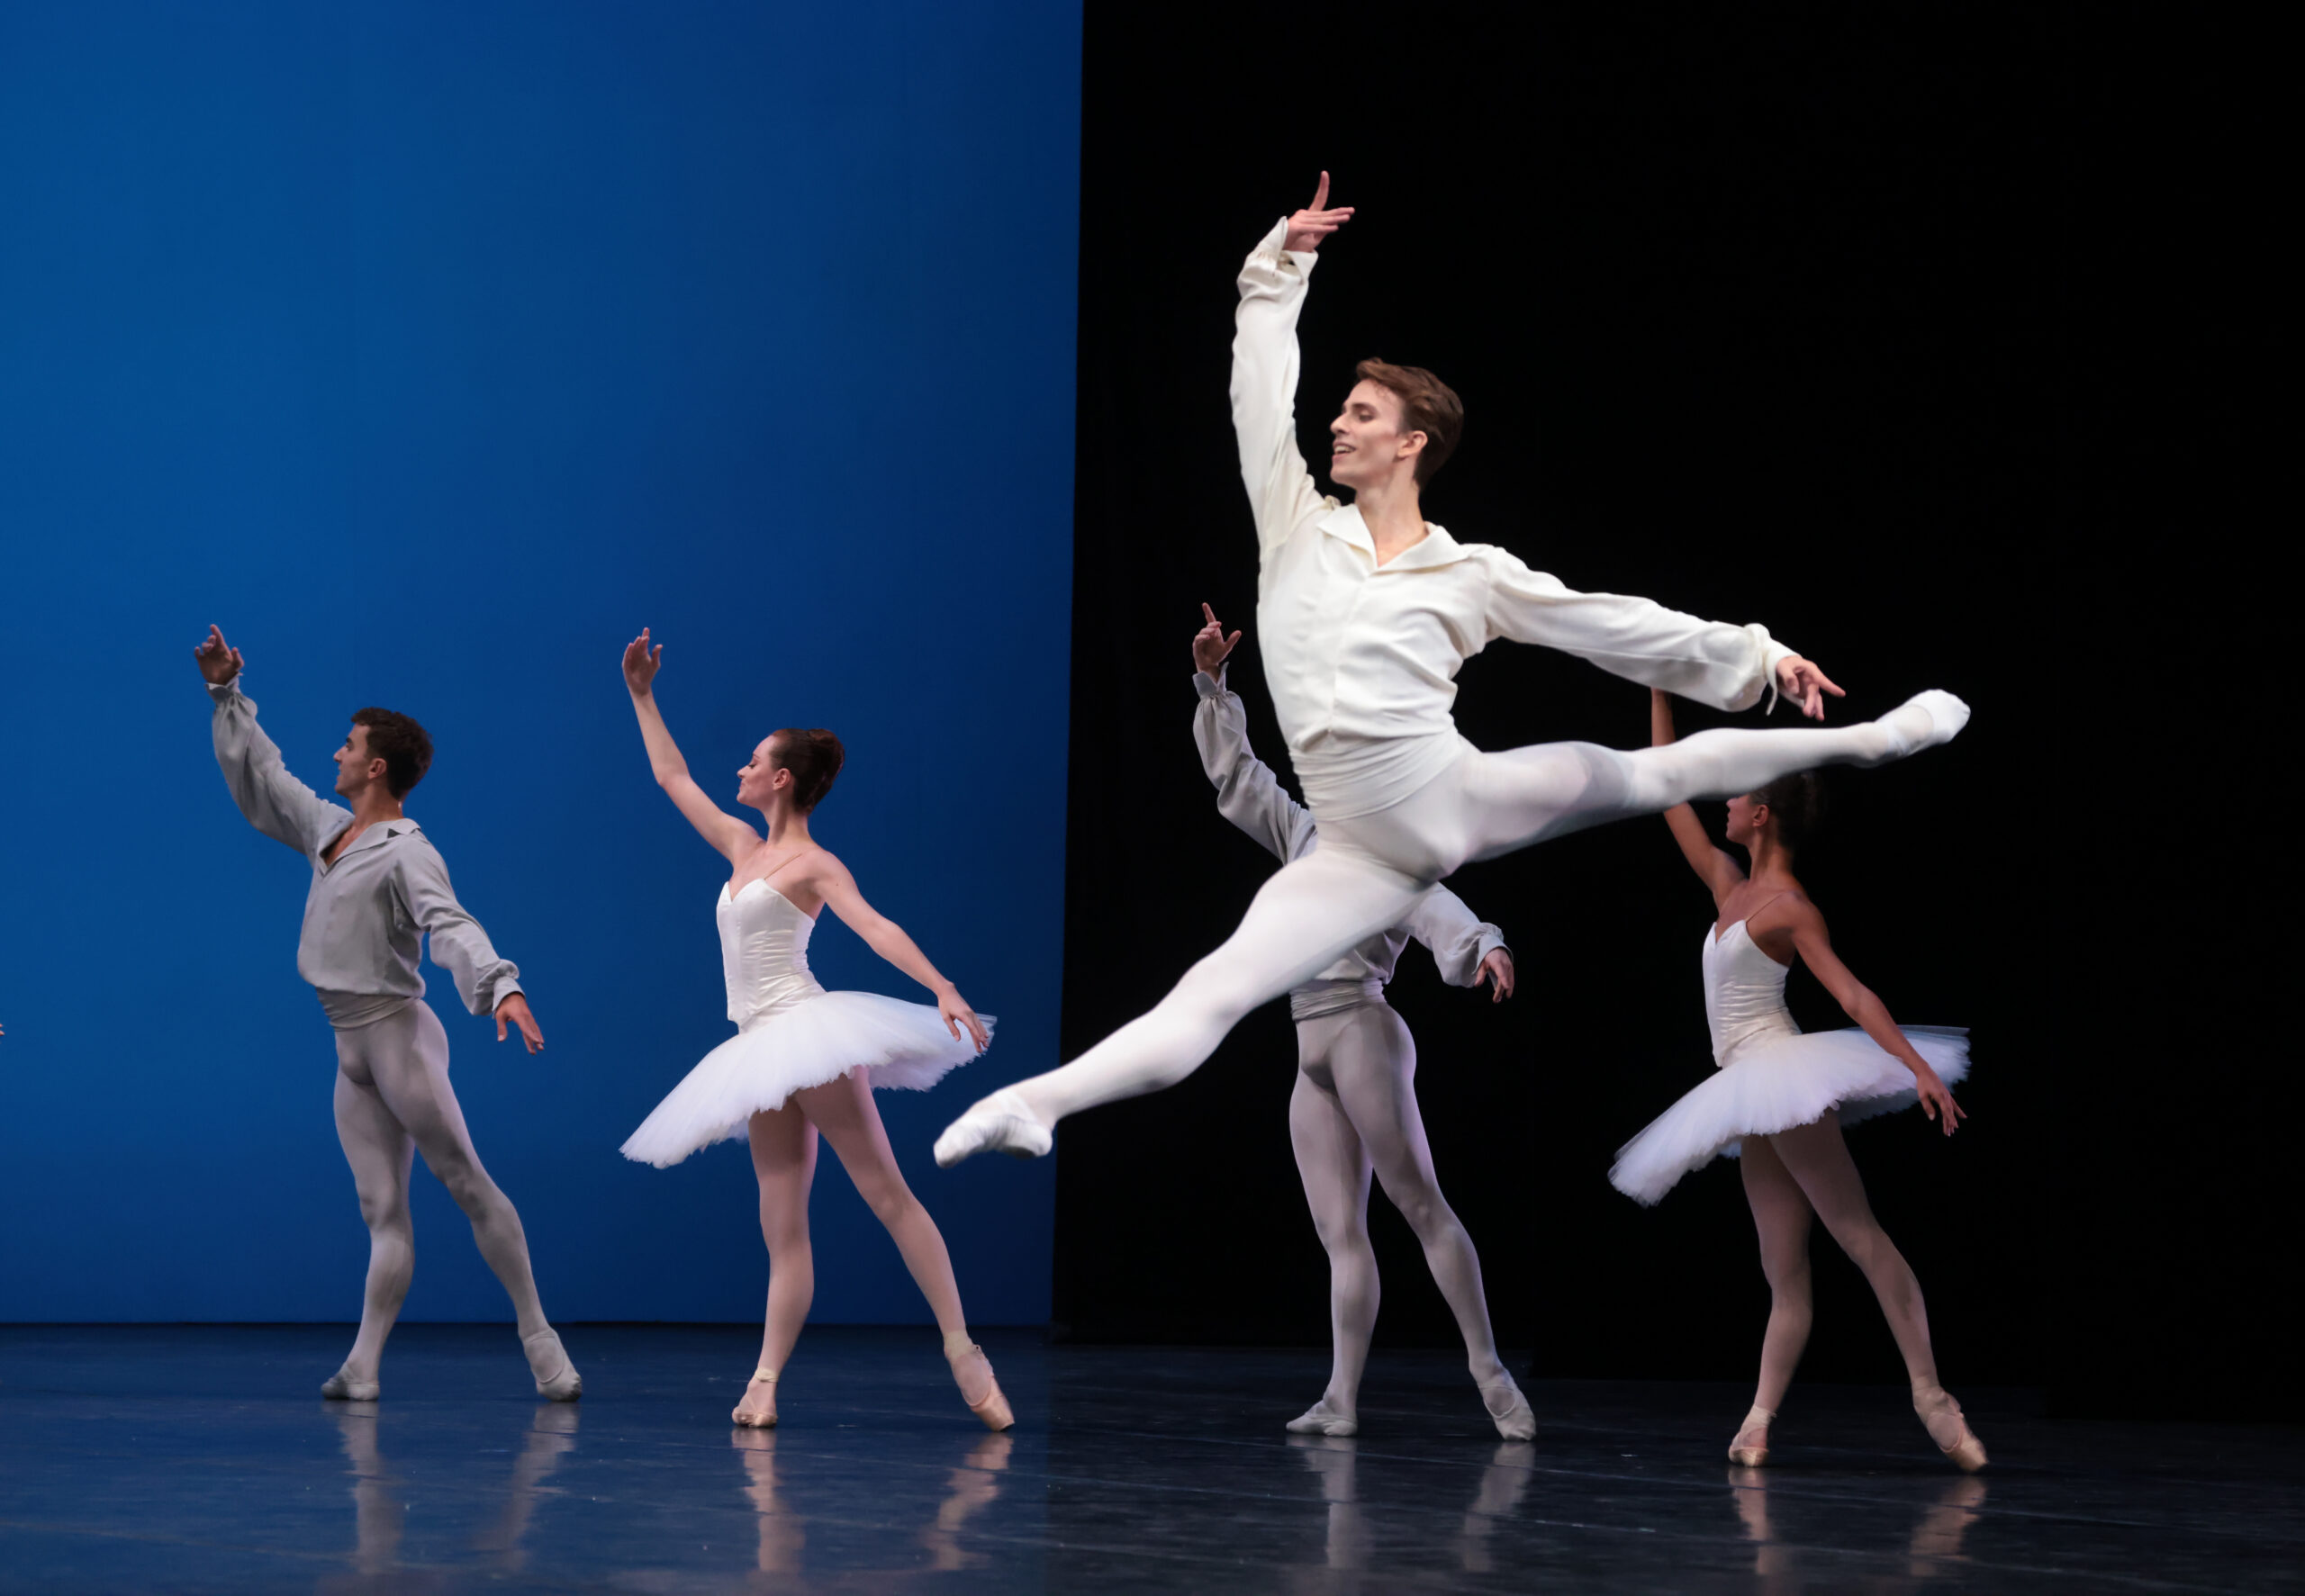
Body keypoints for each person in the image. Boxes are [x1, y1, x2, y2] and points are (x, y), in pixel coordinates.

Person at [935, 173, 1967, 1168]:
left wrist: (1756, 653)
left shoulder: (1470, 573)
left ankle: (1877, 737)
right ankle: (1037, 1103)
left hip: (1452, 794)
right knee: (1208, 992)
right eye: (1340, 409)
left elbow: (1606, 623)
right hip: (1350, 849)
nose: (1338, 422)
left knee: (1657, 773)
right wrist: (1275, 271)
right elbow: (1258, 397)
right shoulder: (1295, 528)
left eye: (1362, 414)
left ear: (1411, 444)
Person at [615, 629, 1011, 1430]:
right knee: (781, 1224)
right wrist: (642, 694)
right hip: (759, 1048)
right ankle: (764, 1382)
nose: (741, 771)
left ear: (781, 779)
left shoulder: (814, 865)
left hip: (807, 1029)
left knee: (886, 1195)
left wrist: (940, 984)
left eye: (754, 762)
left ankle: (963, 1347)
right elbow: (671, 775)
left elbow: (874, 926)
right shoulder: (739, 846)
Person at [194, 625, 579, 1403]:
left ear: (375, 766)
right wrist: (224, 694)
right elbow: (265, 777)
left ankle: (540, 1338)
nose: (334, 753)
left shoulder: (407, 849)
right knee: (381, 1210)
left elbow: (450, 921)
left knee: (466, 1183)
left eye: (347, 744)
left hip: (399, 1036)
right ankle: (364, 1365)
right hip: (349, 1046)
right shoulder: (331, 832)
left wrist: (501, 984)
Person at [1610, 688, 1984, 1472]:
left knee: (1858, 1234)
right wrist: (1656, 688)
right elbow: (1667, 784)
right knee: (1783, 1270)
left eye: (1739, 793)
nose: (1726, 801)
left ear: (1764, 814)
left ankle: (1932, 1398)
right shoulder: (1725, 885)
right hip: (1746, 1089)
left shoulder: (1787, 906)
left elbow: (1852, 994)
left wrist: (1917, 1067)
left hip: (1779, 1073)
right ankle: (1757, 1420)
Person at [1189, 603, 1532, 1440]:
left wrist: (1483, 943)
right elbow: (1238, 778)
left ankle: (1489, 1370)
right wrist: (1211, 682)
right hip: (1310, 1052)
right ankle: (1341, 1397)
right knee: (1342, 1234)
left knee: (1419, 1204)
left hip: (1364, 1032)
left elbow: (1435, 904)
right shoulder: (1306, 834)